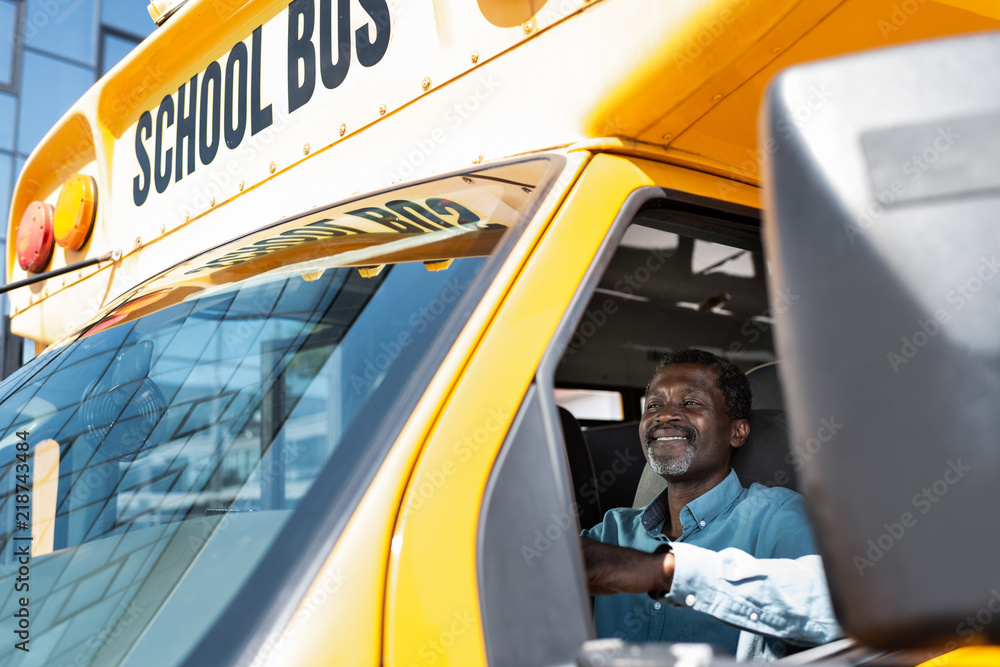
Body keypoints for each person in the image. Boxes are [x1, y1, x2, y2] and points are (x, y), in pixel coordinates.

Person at [580, 349, 841, 662]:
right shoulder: (610, 533)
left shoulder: (777, 515)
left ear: (737, 432)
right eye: (654, 405)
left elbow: (833, 606)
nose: (665, 415)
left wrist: (666, 572)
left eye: (690, 403)